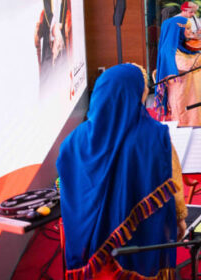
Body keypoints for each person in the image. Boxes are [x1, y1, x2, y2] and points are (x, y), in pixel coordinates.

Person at [58, 64, 187, 278]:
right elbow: (171, 185)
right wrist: (180, 218)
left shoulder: (73, 140)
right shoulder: (154, 136)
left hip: (85, 244)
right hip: (137, 238)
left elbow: (65, 185)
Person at [155, 14, 201, 126]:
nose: (192, 32)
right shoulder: (169, 51)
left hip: (196, 94)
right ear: (177, 30)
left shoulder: (187, 48)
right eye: (188, 28)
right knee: (188, 127)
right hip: (183, 96)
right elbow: (188, 65)